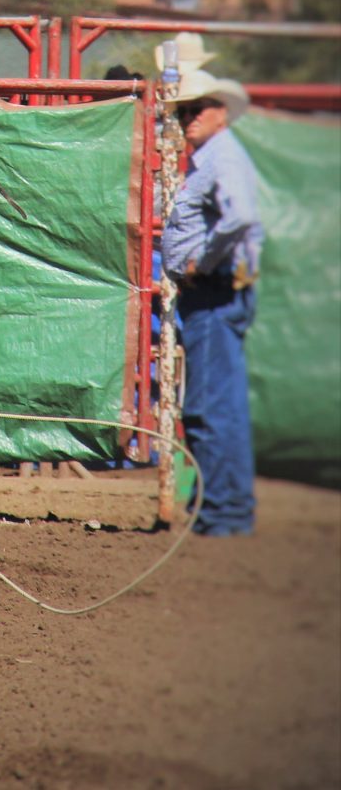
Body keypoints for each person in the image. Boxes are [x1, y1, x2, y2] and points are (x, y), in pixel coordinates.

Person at [161, 68, 263, 537]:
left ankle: (223, 515)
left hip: (215, 292)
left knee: (210, 405)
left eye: (195, 109)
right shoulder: (217, 156)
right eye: (182, 112)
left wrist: (202, 260)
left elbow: (239, 216)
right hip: (216, 294)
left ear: (220, 112)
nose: (187, 118)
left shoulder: (220, 158)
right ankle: (224, 511)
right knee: (216, 404)